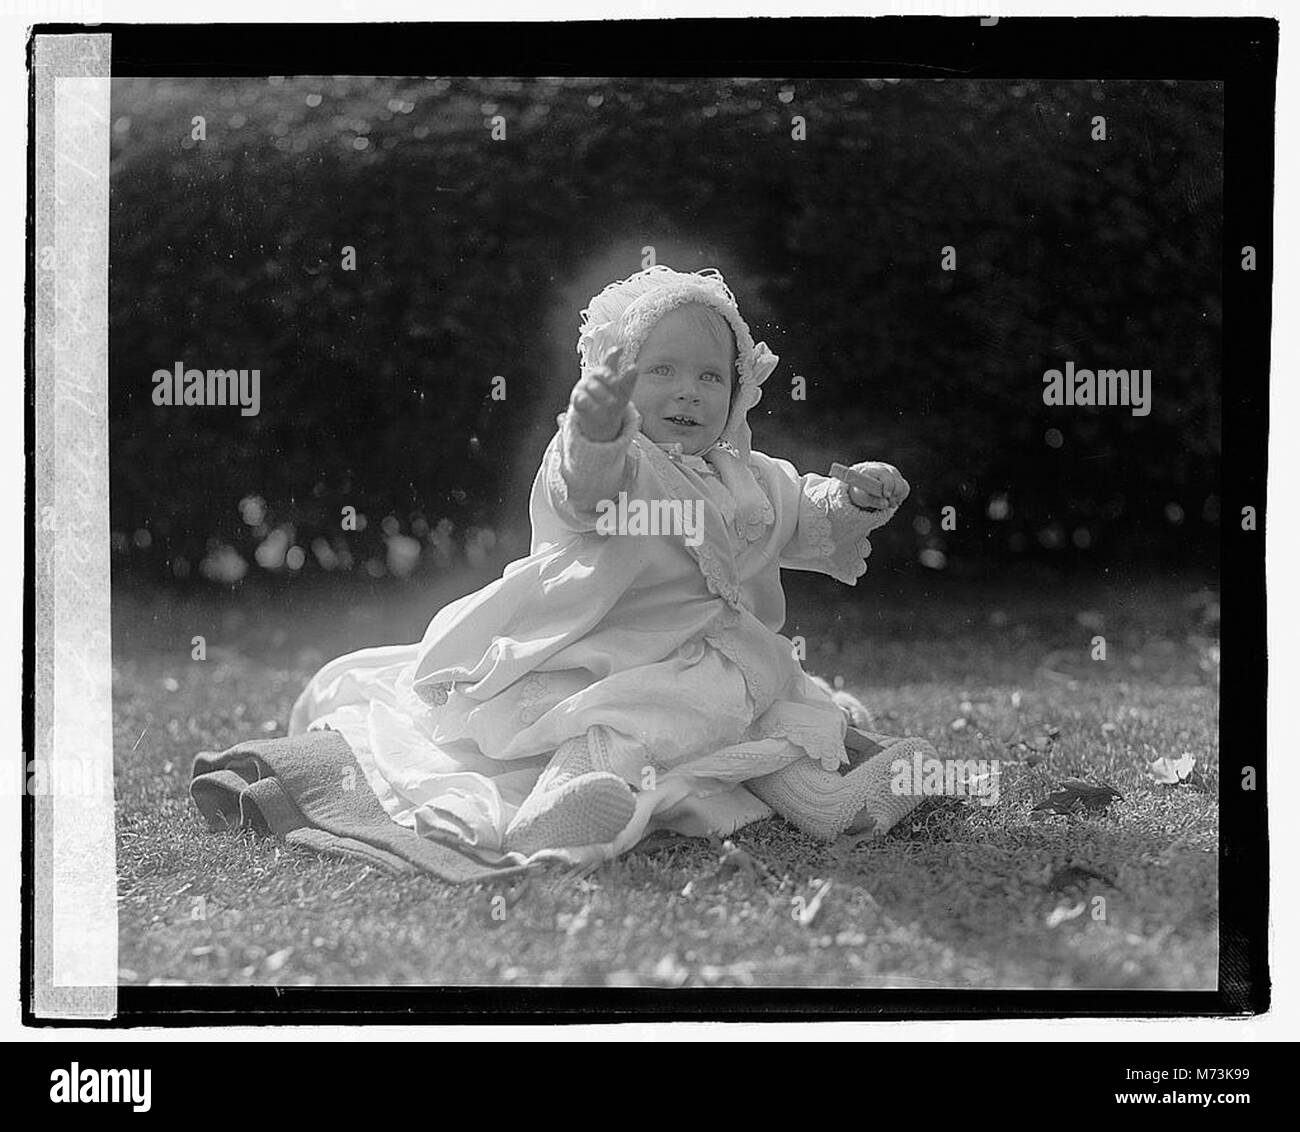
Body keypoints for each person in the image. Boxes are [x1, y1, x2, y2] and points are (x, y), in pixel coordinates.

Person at [290, 265, 936, 865]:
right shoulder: (623, 463)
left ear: (737, 392)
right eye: (662, 371)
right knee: (623, 721)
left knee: (771, 725)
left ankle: (833, 806)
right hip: (618, 655)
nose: (689, 391)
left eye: (711, 377)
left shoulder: (752, 477)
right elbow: (583, 488)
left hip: (732, 664)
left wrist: (853, 499)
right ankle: (559, 804)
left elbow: (808, 516)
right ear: (618, 377)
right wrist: (595, 430)